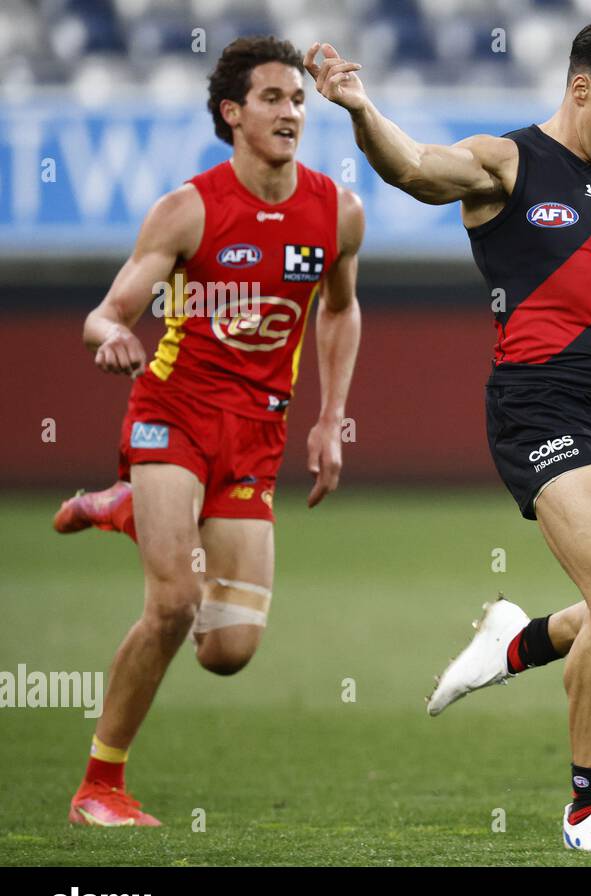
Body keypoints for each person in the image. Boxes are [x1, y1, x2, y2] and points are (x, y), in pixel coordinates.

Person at [305, 15, 591, 853]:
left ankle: (516, 640)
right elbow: (412, 169)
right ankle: (590, 807)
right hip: (535, 404)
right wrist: (361, 111)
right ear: (580, 88)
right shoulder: (506, 165)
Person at [58, 36, 365, 825]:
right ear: (232, 114)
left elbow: (338, 307)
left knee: (228, 650)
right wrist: (110, 338)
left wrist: (331, 419)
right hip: (173, 416)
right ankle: (100, 786)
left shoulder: (338, 211)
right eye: (272, 98)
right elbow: (106, 312)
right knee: (172, 603)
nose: (292, 111)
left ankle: (122, 508)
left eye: (298, 99)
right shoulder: (188, 209)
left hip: (256, 434)